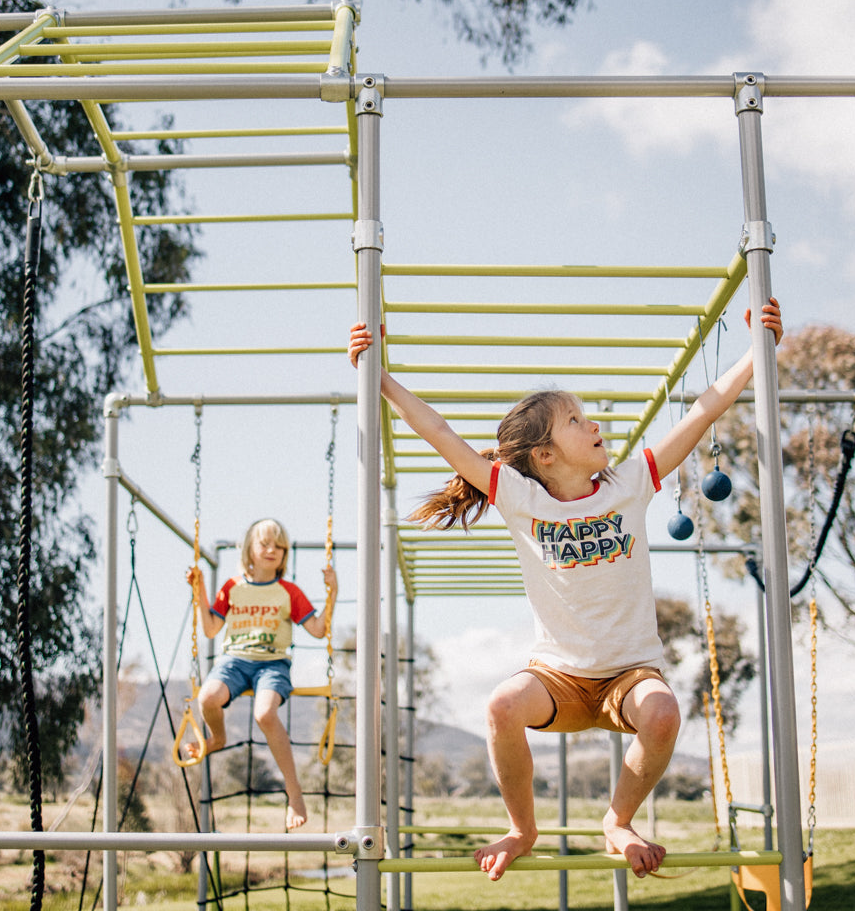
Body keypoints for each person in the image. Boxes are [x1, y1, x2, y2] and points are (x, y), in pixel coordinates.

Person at [348, 299, 783, 879]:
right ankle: (522, 828)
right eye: (576, 420)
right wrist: (379, 377)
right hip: (557, 678)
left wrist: (756, 352)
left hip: (629, 674)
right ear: (545, 455)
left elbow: (702, 413)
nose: (594, 424)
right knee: (501, 705)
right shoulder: (520, 498)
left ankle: (618, 820)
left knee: (662, 715)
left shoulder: (630, 483)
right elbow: (440, 433)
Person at [185, 517, 338, 830]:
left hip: (272, 663)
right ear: (249, 550)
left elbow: (318, 630)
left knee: (265, 713)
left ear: (284, 554)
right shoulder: (232, 587)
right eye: (265, 544)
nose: (272, 550)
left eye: (279, 546)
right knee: (208, 697)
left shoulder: (288, 592)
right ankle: (218, 737)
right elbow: (211, 629)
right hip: (234, 660)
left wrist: (332, 591)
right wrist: (199, 591)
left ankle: (294, 792)